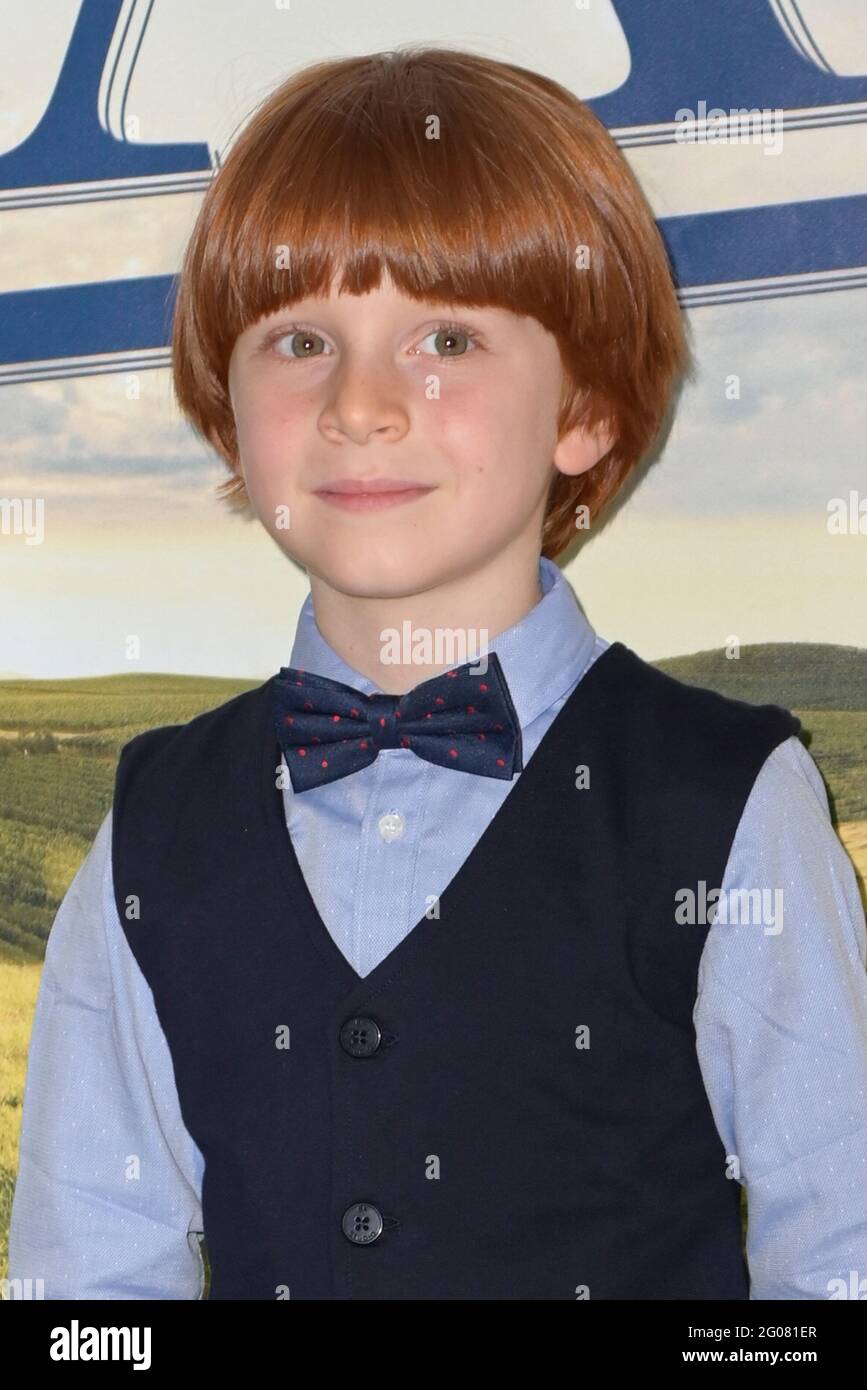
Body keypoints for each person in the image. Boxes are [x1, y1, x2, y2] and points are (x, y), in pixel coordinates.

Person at [8, 46, 867, 1301]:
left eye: (447, 337)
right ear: (223, 403)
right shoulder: (152, 834)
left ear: (585, 411)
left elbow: (838, 1261)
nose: (362, 403)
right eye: (302, 337)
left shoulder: (729, 808)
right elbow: (86, 1300)